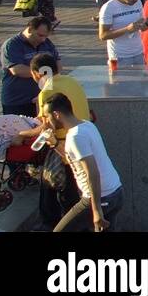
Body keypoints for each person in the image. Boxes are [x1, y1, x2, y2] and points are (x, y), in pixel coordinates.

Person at [25, 52, 90, 230]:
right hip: (83, 141)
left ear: (37, 73)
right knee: (62, 188)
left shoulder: (46, 91)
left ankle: (54, 224)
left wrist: (21, 134)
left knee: (60, 188)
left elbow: (46, 127)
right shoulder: (72, 81)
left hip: (64, 147)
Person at [44, 94, 124, 233]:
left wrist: (96, 210)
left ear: (56, 114)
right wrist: (54, 143)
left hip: (100, 197)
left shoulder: (76, 136)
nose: (45, 121)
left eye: (46, 116)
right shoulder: (86, 125)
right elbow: (74, 158)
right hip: (115, 192)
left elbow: (92, 172)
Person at [1, 17, 61, 116]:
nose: (43, 40)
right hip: (17, 102)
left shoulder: (47, 44)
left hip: (42, 100)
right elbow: (17, 70)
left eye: (46, 36)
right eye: (40, 35)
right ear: (29, 29)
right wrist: (46, 75)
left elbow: (58, 66)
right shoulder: (12, 45)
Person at [98, 0, 148, 67]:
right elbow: (103, 35)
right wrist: (127, 29)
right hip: (119, 56)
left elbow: (142, 27)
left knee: (140, 80)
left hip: (138, 53)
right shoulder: (109, 7)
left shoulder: (138, 2)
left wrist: (147, 24)